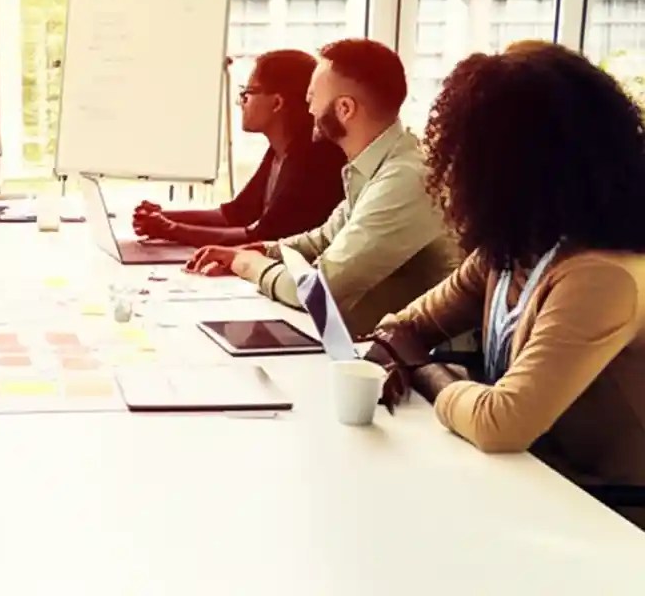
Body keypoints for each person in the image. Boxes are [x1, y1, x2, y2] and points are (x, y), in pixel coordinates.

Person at [361, 42, 645, 527]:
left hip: (604, 513)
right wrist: (411, 351)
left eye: (464, 156)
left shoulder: (602, 276)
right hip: (525, 483)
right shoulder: (511, 252)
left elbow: (501, 423)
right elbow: (401, 326)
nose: (450, 176)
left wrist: (426, 371)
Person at [186, 39, 460, 336]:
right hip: (368, 344)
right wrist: (263, 250)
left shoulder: (405, 179)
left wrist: (248, 265)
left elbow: (317, 291)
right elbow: (322, 241)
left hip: (424, 367)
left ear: (344, 108)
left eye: (313, 97)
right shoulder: (376, 165)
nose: (309, 109)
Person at [132, 49, 345, 246]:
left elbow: (261, 237)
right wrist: (164, 216)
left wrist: (171, 230)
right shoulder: (279, 150)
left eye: (247, 94)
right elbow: (235, 215)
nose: (240, 103)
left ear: (277, 103)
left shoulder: (313, 159)